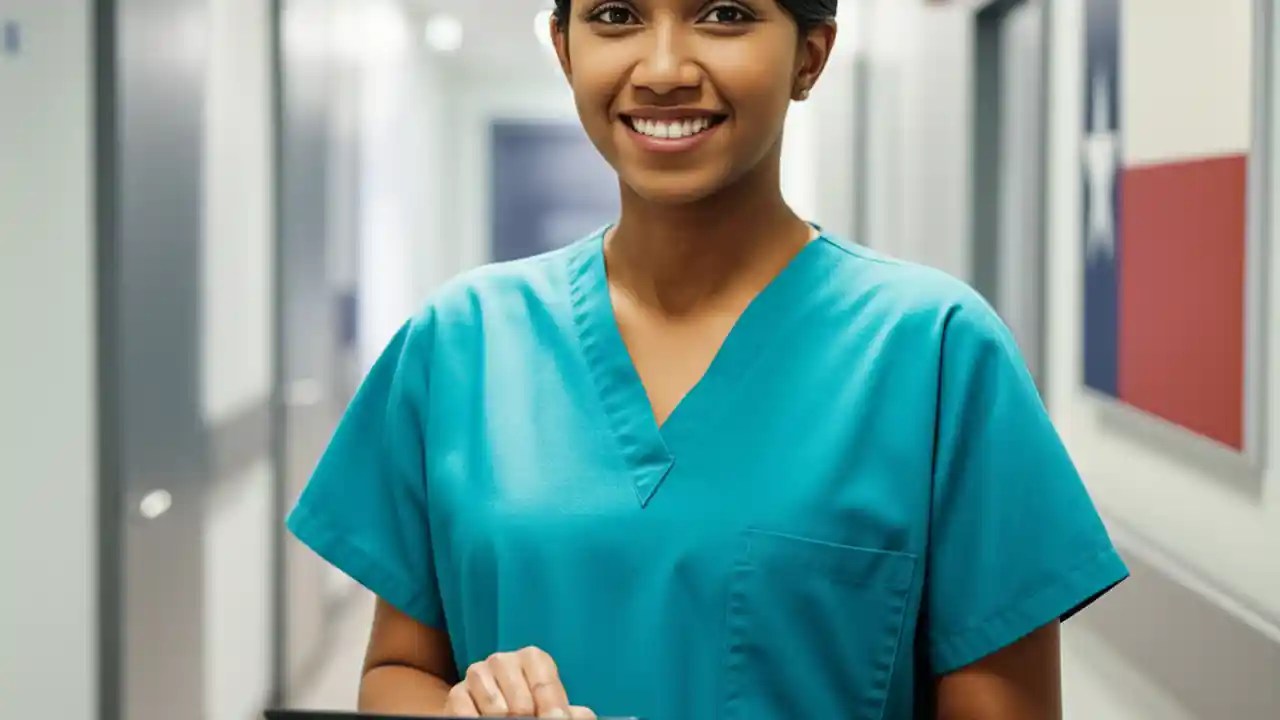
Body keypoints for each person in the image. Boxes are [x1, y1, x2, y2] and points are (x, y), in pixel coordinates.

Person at [285, 0, 1129, 717]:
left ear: (810, 55)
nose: (662, 69)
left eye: (724, 14)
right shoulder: (459, 341)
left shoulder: (934, 352)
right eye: (616, 15)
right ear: (565, 49)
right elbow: (396, 670)